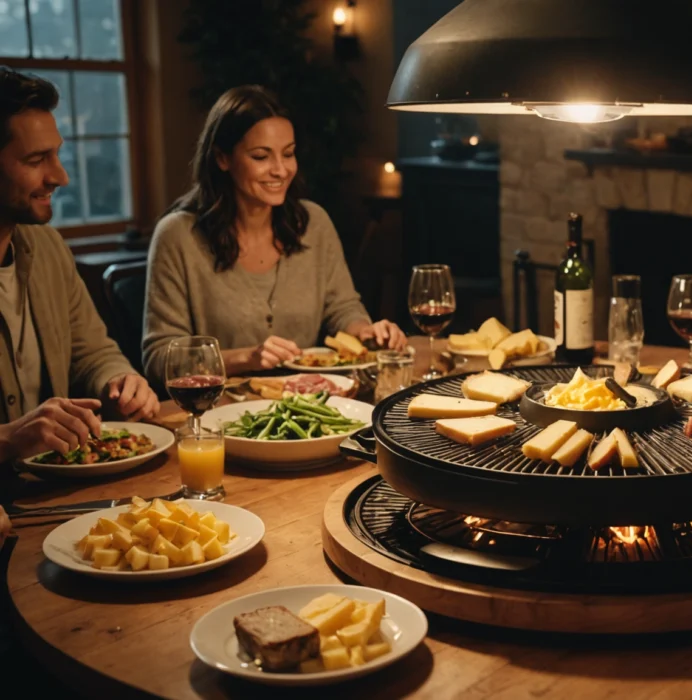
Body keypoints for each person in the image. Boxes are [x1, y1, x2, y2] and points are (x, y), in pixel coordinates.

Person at [142, 85, 407, 382]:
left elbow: (342, 308)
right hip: (220, 415)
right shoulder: (177, 237)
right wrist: (246, 358)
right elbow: (160, 357)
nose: (281, 170)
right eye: (261, 157)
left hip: (312, 405)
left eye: (289, 154)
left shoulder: (313, 223)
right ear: (222, 158)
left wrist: (366, 333)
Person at [0, 68, 158, 467]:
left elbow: (92, 352)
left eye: (56, 154)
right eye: (37, 159)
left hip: (52, 490)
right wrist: (7, 439)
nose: (60, 176)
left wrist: (120, 380)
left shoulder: (48, 247)